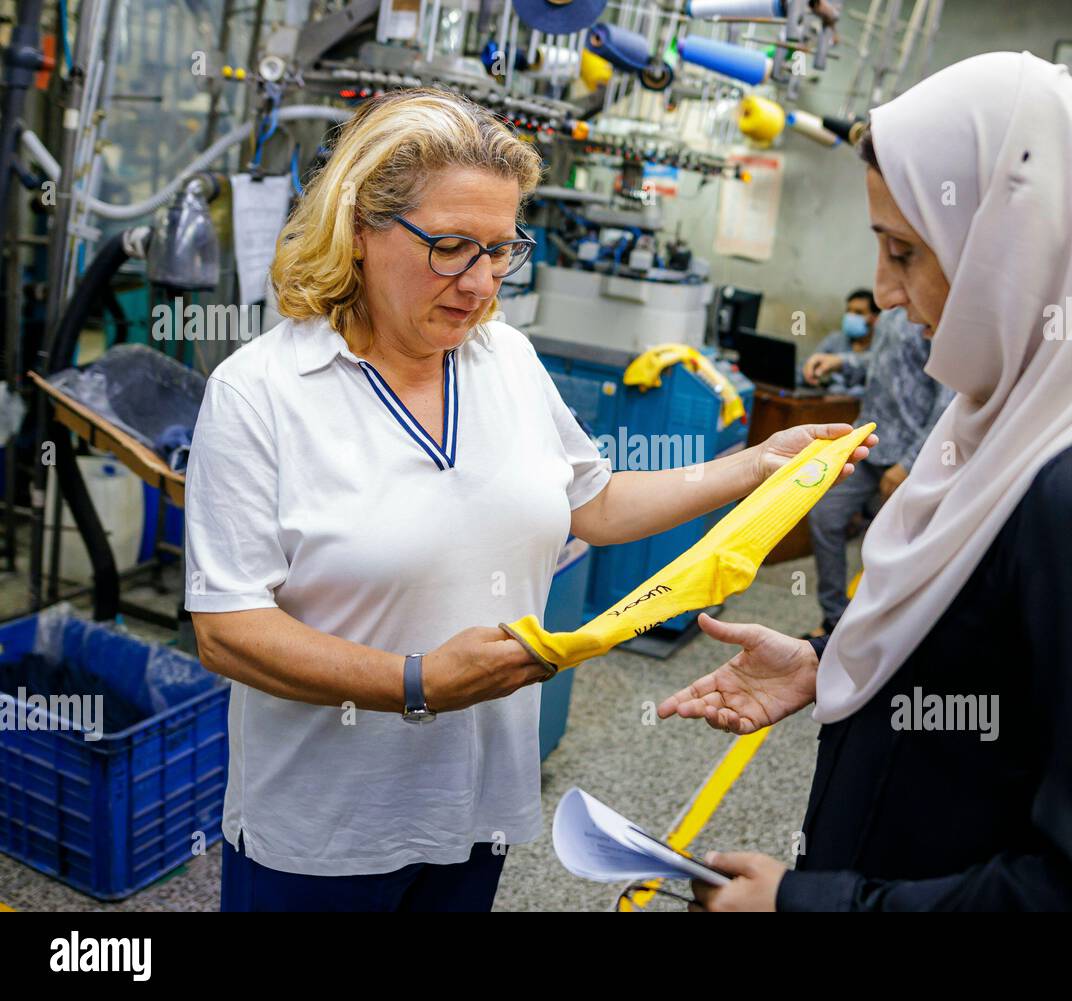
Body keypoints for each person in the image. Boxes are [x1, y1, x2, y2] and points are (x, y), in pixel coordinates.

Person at [184, 88, 874, 912]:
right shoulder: (262, 391)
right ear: (359, 229)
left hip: (477, 805)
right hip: (326, 828)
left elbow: (596, 501)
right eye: (450, 247)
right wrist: (415, 680)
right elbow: (228, 630)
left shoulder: (502, 357)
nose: (479, 283)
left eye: (502, 250)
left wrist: (757, 465)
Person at [658, 50, 1072, 911]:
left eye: (905, 252)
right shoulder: (1015, 419)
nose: (884, 292)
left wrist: (809, 907)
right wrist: (828, 661)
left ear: (1018, 247)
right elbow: (1001, 657)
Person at [802, 304, 954, 636]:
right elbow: (884, 363)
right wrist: (840, 361)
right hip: (869, 442)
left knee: (894, 547)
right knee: (825, 514)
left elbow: (948, 402)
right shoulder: (890, 315)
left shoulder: (939, 316)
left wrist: (909, 464)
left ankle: (876, 634)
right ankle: (833, 618)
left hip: (912, 455)